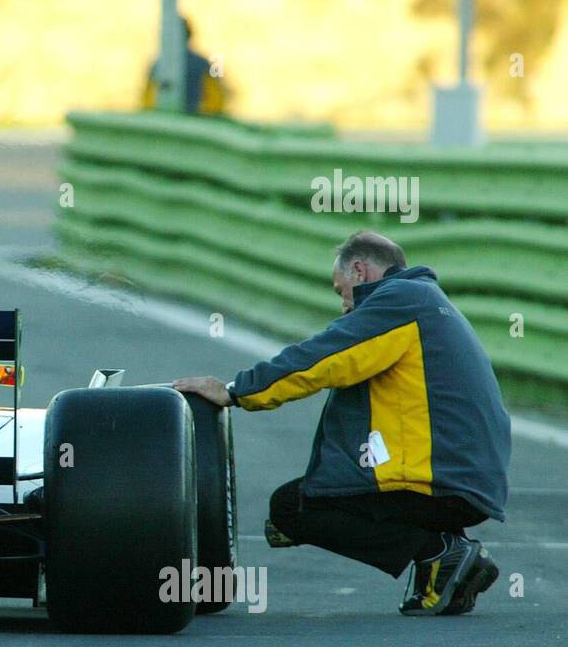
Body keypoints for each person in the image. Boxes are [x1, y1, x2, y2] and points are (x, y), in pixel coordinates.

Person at [173, 230, 510, 616]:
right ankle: (451, 574)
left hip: (441, 480)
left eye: (341, 291)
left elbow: (323, 358)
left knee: (294, 507)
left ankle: (439, 551)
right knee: (317, 496)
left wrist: (236, 391)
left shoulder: (398, 303)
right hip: (467, 479)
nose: (345, 306)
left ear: (360, 270)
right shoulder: (428, 302)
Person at [141, 16, 227, 115]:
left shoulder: (157, 65)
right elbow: (216, 101)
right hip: (195, 119)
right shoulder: (205, 63)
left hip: (183, 119)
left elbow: (147, 102)